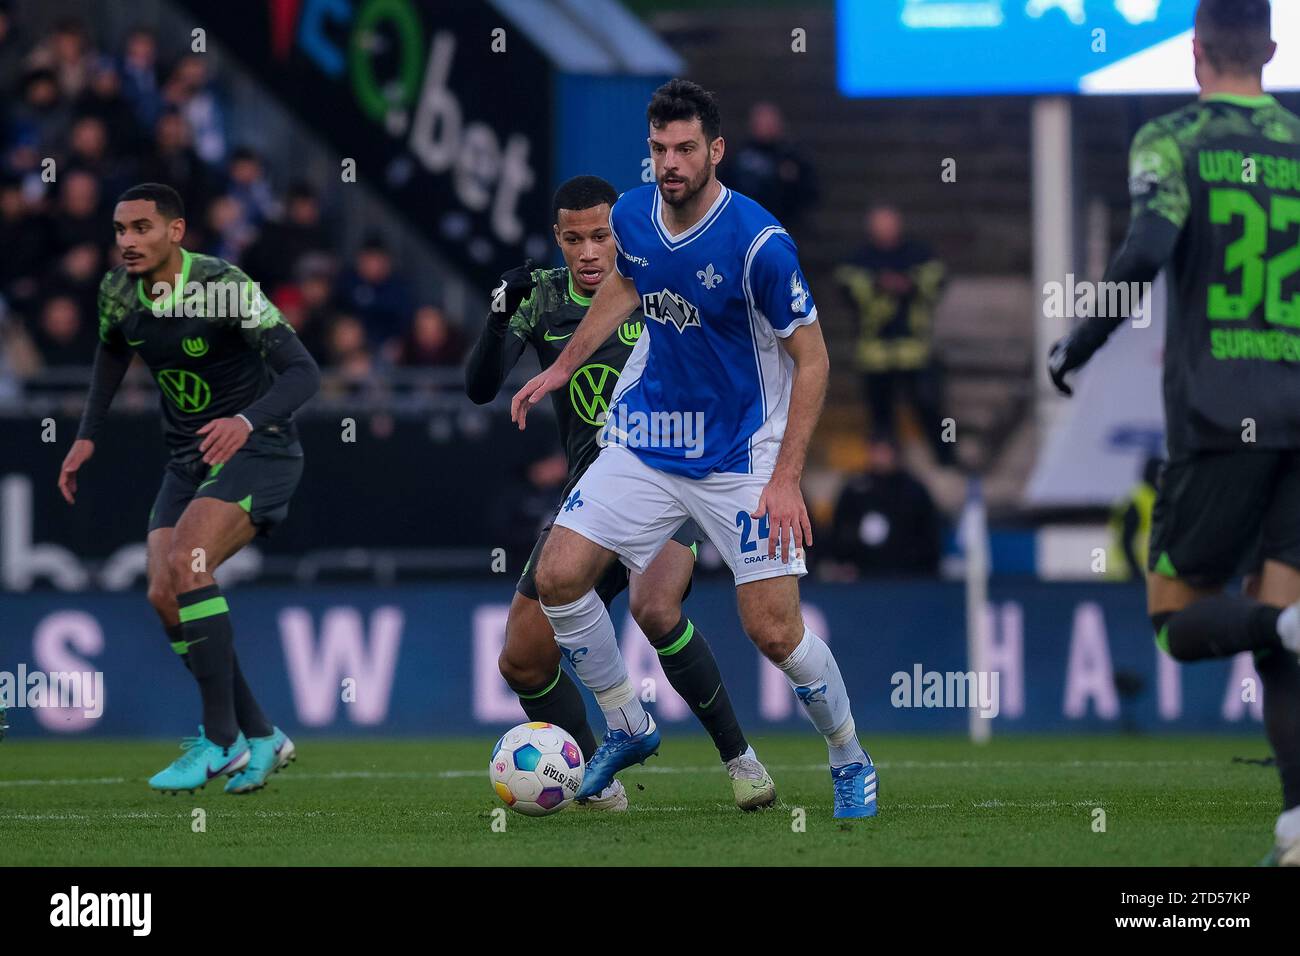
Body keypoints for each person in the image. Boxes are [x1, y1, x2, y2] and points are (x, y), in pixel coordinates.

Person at [511, 81, 877, 819]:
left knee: (773, 629)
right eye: (658, 150)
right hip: (647, 439)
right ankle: (626, 724)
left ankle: (849, 756)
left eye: (684, 149)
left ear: (715, 151)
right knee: (559, 576)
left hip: (739, 455)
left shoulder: (759, 245)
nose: (670, 164)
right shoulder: (632, 218)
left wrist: (785, 480)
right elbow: (624, 286)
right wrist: (563, 365)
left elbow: (815, 361)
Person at [1048, 0, 1300, 865]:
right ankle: (1298, 829)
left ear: (1194, 53)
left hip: (1220, 418)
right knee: (1274, 625)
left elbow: (1144, 252)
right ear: (1271, 48)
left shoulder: (1174, 138)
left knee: (1174, 619)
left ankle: (1292, 629)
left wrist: (1076, 343)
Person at [467, 174, 775, 811]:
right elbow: (479, 387)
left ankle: (742, 762)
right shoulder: (545, 300)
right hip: (590, 501)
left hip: (671, 481)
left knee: (655, 609)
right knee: (521, 661)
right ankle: (594, 782)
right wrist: (497, 317)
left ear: (623, 233)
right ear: (556, 240)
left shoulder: (659, 282)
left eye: (600, 236)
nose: (587, 252)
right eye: (572, 239)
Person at [57, 183, 321, 795]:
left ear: (175, 232)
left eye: (142, 228)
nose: (128, 241)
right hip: (188, 459)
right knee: (163, 593)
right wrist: (86, 435)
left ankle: (220, 739)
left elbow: (304, 371)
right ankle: (262, 734)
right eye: (121, 230)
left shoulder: (223, 285)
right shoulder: (117, 291)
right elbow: (110, 353)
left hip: (259, 447)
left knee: (188, 560)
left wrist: (246, 419)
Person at [834, 203, 950, 464]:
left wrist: (907, 284)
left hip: (914, 352)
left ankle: (946, 460)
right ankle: (887, 463)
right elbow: (846, 283)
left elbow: (937, 277)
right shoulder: (860, 257)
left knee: (929, 407)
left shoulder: (917, 253)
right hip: (875, 353)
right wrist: (878, 284)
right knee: (881, 417)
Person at [825, 439, 941, 578]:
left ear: (895, 453)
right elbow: (839, 528)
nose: (880, 457)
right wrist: (842, 561)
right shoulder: (854, 487)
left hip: (905, 574)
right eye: (876, 451)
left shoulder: (913, 489)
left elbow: (928, 533)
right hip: (861, 574)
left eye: (884, 451)